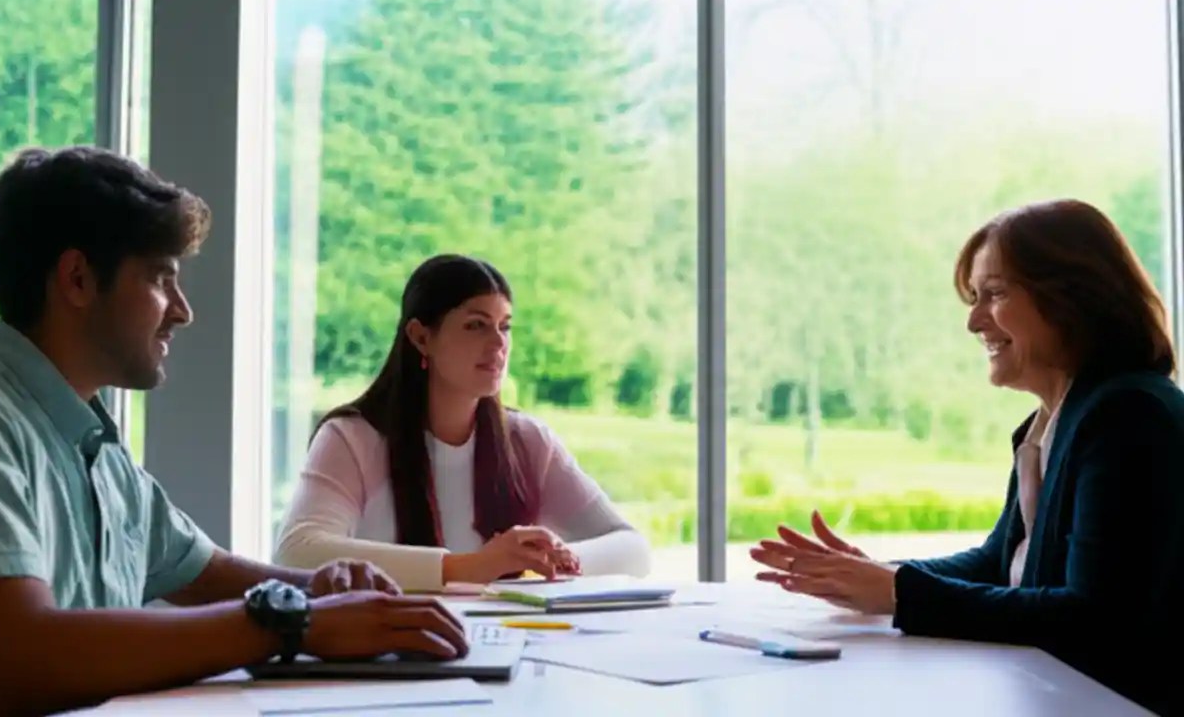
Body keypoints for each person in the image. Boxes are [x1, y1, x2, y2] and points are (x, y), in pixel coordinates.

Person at [0, 147, 468, 717]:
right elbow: (16, 663)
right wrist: (294, 622)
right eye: (161, 278)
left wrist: (325, 592)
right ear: (77, 279)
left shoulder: (88, 441)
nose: (182, 310)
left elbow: (206, 571)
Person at [749, 199, 1183, 715]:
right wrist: (879, 574)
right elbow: (999, 564)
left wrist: (901, 592)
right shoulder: (1053, 421)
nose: (974, 321)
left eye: (994, 294)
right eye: (974, 298)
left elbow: (1091, 618)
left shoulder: (1129, 415)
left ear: (1072, 298)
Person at [274, 255, 652, 591]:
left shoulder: (527, 440)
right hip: (391, 653)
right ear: (421, 337)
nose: (498, 343)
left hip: (511, 645)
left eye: (505, 326)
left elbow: (632, 549)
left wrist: (553, 558)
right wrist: (471, 567)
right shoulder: (352, 437)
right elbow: (297, 552)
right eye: (476, 325)